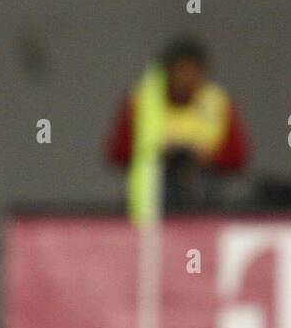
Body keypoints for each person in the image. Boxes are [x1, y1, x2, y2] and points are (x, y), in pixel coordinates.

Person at [105, 36, 249, 211]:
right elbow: (117, 153)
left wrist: (204, 157)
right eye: (180, 71)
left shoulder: (217, 102)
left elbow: (237, 157)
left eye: (193, 72)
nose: (185, 79)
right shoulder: (142, 101)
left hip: (205, 197)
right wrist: (159, 153)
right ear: (167, 72)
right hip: (150, 200)